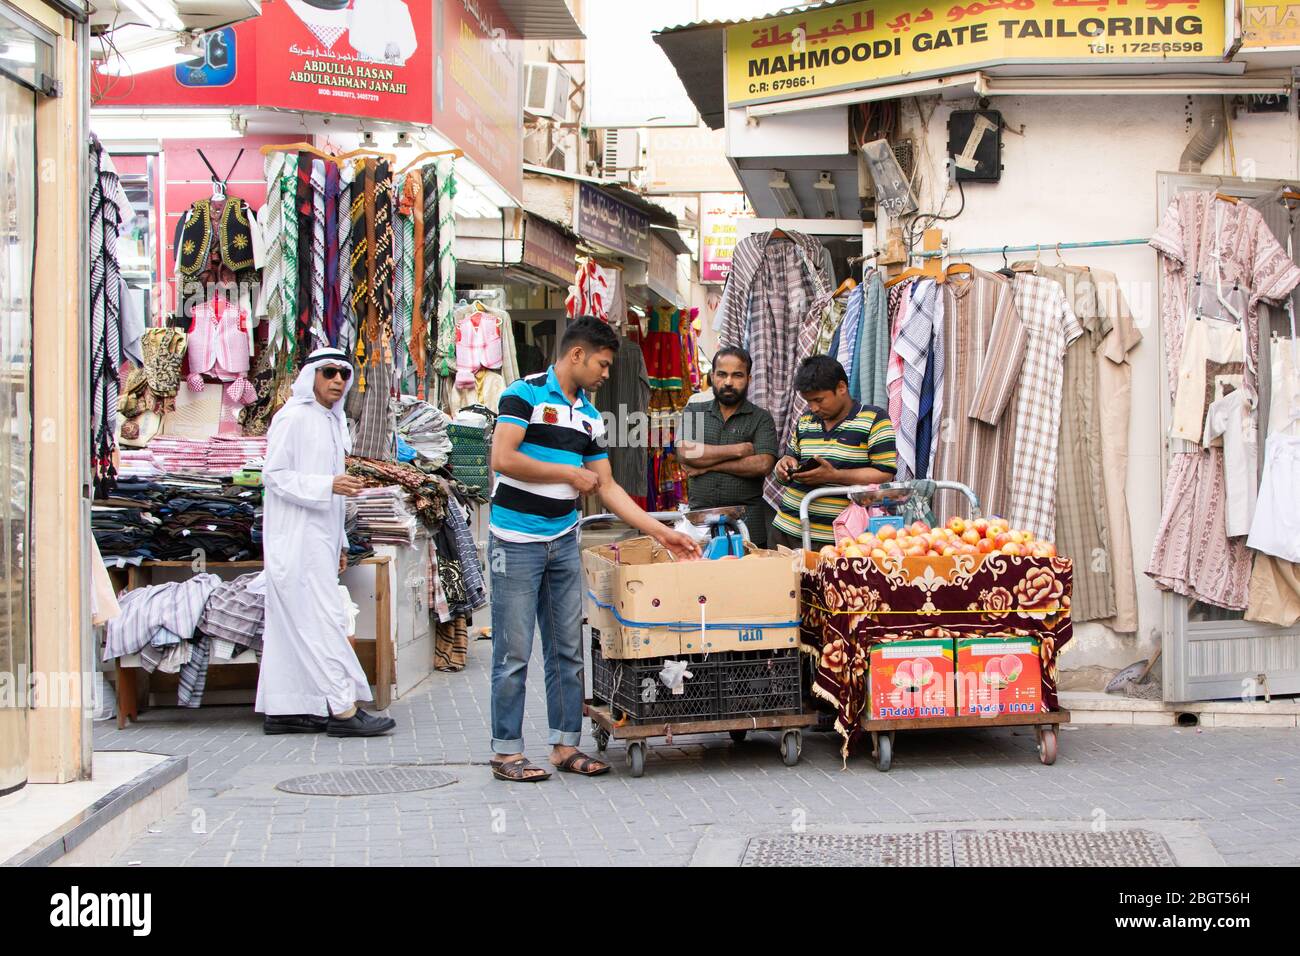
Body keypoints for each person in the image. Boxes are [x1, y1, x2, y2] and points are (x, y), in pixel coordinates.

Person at [489, 316, 701, 782]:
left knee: (568, 650)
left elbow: (607, 486)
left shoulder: (587, 415)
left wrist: (661, 532)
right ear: (577, 355)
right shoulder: (522, 394)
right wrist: (567, 474)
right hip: (515, 540)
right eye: (603, 365)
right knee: (513, 652)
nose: (607, 374)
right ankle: (506, 751)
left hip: (564, 540)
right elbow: (503, 458)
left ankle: (566, 747)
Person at [256, 346, 396, 738]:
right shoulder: (294, 418)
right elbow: (275, 475)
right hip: (294, 540)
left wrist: (340, 545)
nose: (337, 380)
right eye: (329, 372)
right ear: (312, 376)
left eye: (343, 375)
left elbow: (334, 497)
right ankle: (342, 707)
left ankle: (288, 709)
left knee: (296, 625)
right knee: (319, 621)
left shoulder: (333, 422)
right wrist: (326, 485)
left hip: (318, 540)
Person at [771, 355, 898, 549]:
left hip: (834, 539)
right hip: (785, 528)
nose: (813, 408)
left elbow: (884, 474)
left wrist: (835, 476)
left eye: (819, 400)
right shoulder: (805, 420)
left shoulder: (875, 419)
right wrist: (783, 466)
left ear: (841, 388)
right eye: (808, 402)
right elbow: (792, 457)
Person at [677, 346, 779, 547]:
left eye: (737, 375)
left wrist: (707, 465)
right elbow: (686, 453)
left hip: (748, 523)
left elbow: (762, 465)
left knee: (749, 576)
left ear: (749, 379)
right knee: (702, 577)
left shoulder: (761, 419)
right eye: (722, 374)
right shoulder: (694, 411)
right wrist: (739, 450)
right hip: (700, 523)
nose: (729, 382)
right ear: (712, 376)